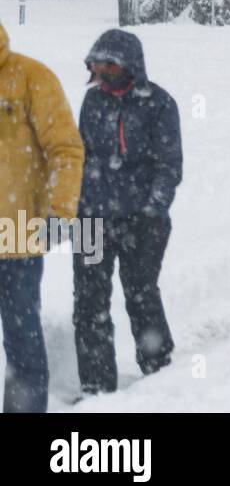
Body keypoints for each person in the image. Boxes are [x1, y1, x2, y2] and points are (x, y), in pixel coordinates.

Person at [74, 29, 182, 398]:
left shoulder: (160, 103)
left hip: (142, 219)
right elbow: (80, 155)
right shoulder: (92, 102)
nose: (102, 71)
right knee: (88, 302)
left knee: (140, 294)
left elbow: (169, 165)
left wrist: (153, 210)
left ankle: (157, 370)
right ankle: (95, 386)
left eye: (109, 63)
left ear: (129, 65)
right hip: (91, 219)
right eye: (97, 64)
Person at [0, 24, 84, 413]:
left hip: (17, 238)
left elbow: (66, 150)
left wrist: (60, 211)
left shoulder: (31, 76)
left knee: (22, 343)